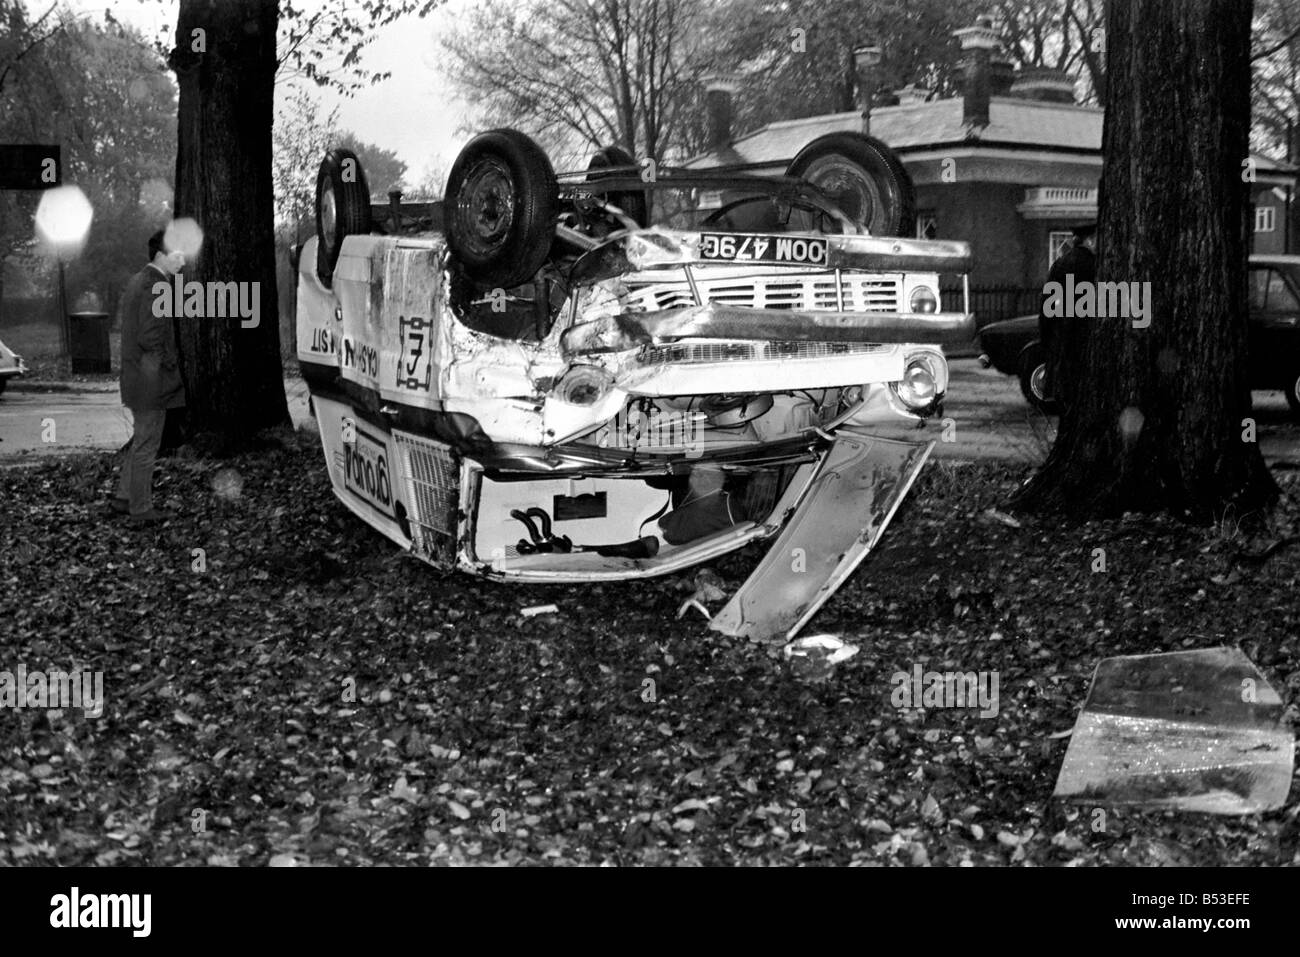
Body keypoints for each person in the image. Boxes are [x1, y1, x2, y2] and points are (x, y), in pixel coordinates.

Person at [110, 230, 187, 525]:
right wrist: (170, 366)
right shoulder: (157, 286)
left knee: (142, 440)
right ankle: (140, 509)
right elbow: (150, 337)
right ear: (161, 255)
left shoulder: (138, 281)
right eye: (177, 255)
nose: (182, 261)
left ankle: (124, 497)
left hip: (136, 378)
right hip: (151, 382)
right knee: (147, 445)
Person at [1038, 222, 1097, 409]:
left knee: (1067, 398)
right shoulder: (1095, 265)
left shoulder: (1060, 265)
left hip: (1063, 334)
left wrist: (1047, 335)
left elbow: (1047, 306)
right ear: (1090, 240)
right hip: (1087, 335)